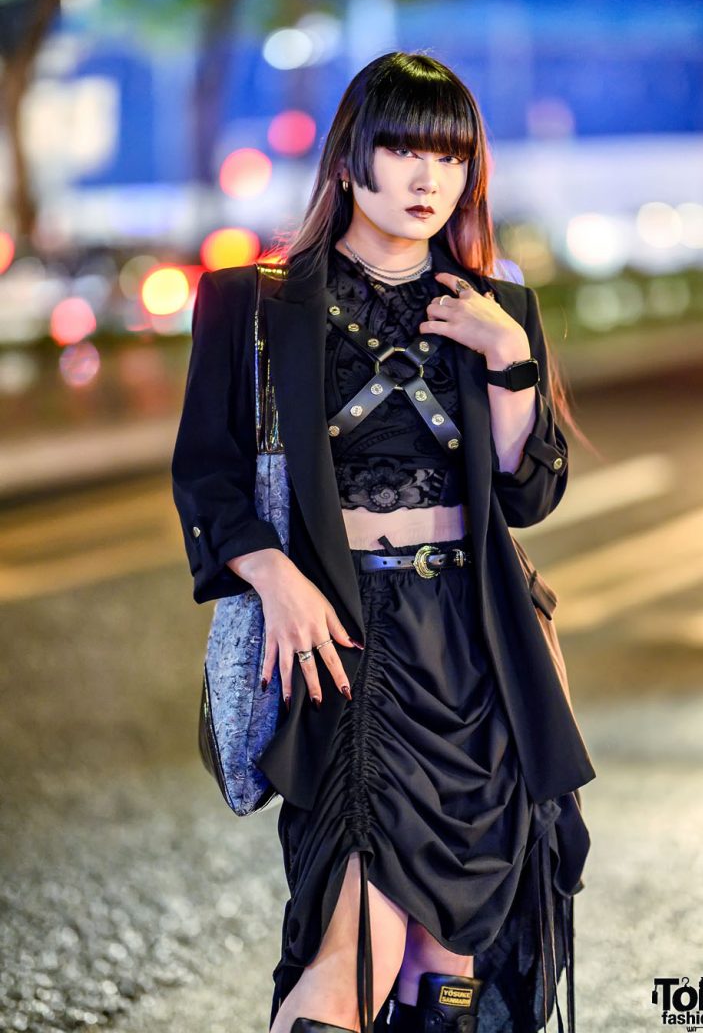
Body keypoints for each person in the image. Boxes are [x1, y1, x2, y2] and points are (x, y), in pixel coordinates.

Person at [171, 51, 595, 1033]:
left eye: (448, 157)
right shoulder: (255, 306)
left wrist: (512, 362)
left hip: (474, 651)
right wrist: (272, 574)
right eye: (402, 148)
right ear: (349, 158)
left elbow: (528, 498)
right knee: (356, 942)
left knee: (449, 959)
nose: (424, 179)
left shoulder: (499, 308)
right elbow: (208, 474)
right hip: (344, 640)